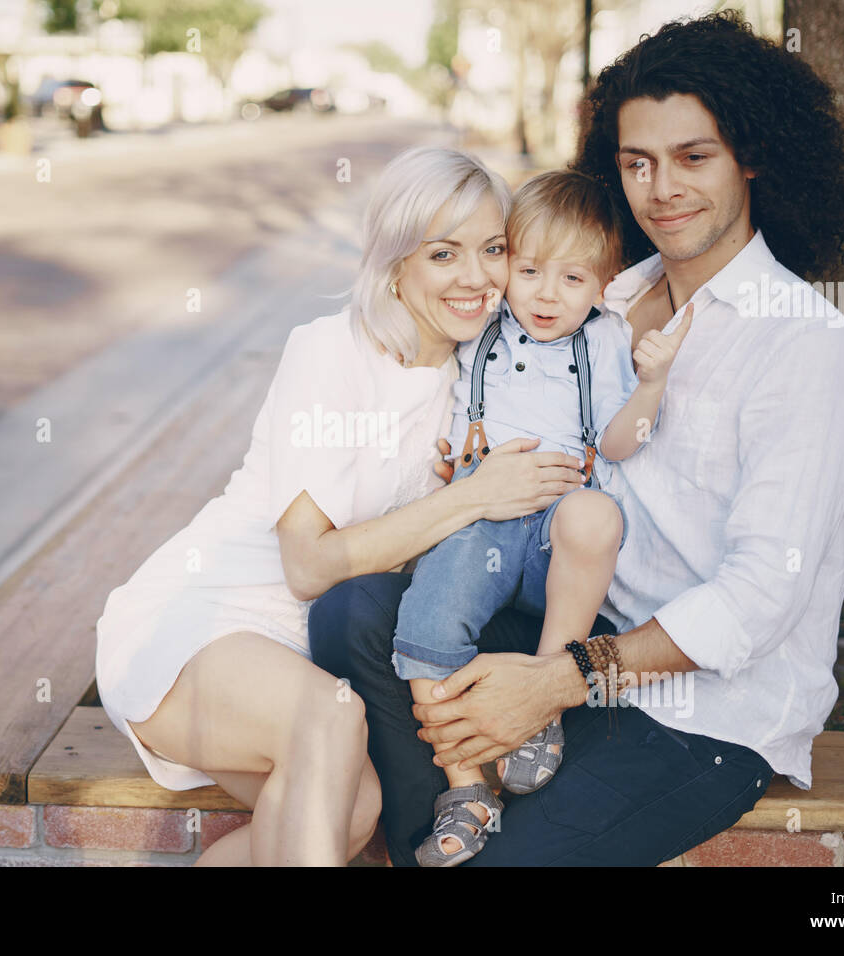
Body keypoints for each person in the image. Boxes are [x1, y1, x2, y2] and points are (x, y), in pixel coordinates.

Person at [309, 10, 844, 866]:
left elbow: (761, 599)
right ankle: (456, 812)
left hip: (702, 714)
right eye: (637, 162)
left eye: (694, 157)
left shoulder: (807, 349)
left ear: (752, 156)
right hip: (570, 630)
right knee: (351, 612)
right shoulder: (601, 295)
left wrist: (555, 683)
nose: (662, 188)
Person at [94, 145, 586, 865]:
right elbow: (308, 564)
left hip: (302, 664)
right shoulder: (330, 352)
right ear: (396, 263)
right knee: (330, 719)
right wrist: (474, 496)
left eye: (492, 250)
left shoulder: (477, 380)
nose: (476, 277)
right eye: (444, 254)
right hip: (198, 627)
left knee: (355, 811)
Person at [395, 170, 693, 865]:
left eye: (572, 279)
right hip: (486, 516)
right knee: (428, 615)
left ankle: (544, 703)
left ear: (604, 283)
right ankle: (466, 786)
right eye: (528, 270)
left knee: (596, 514)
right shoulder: (482, 330)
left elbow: (619, 443)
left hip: (560, 535)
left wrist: (651, 386)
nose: (546, 295)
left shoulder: (606, 340)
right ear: (507, 264)